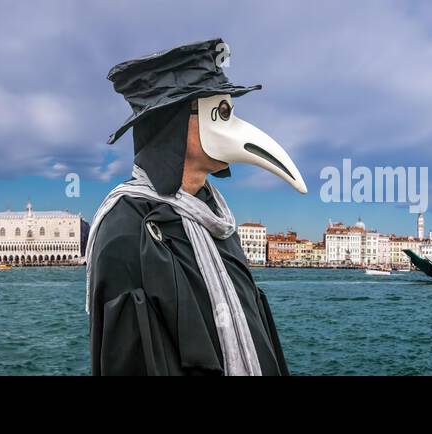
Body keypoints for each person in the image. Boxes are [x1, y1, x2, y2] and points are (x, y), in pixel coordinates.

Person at [85, 39, 307, 375]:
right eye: (222, 113)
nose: (233, 125)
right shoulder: (126, 228)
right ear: (173, 119)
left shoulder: (218, 220)